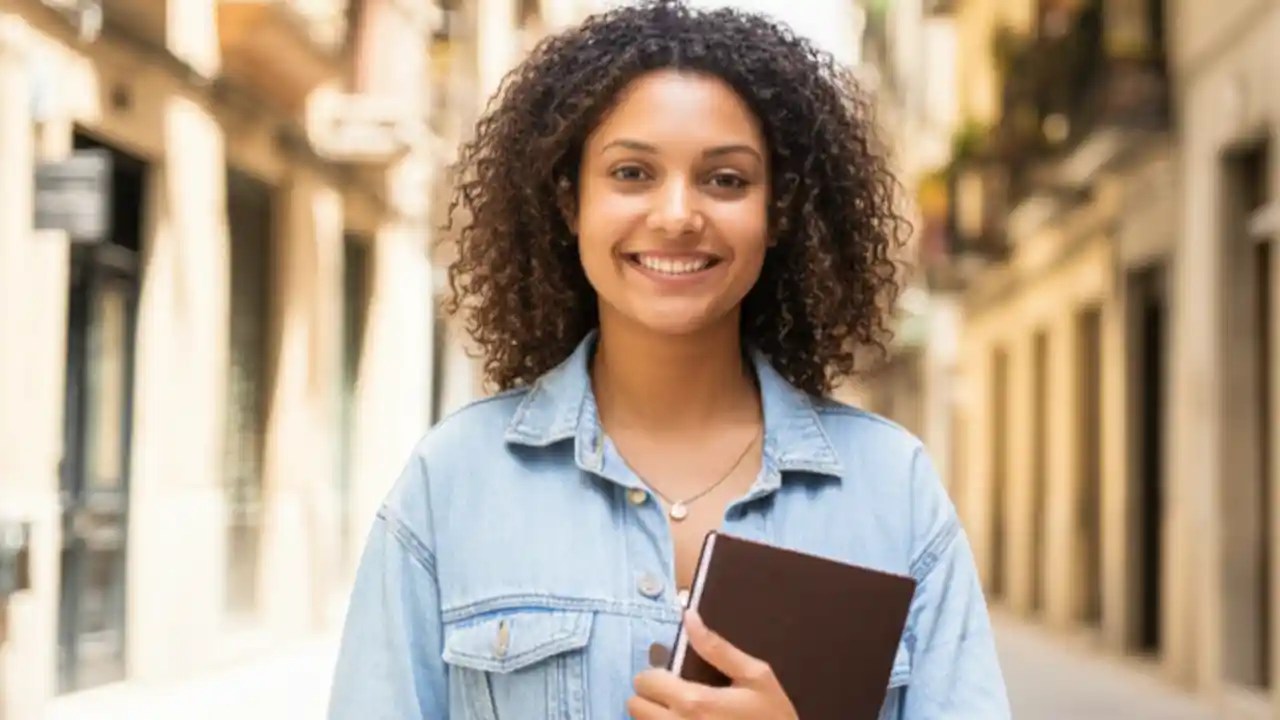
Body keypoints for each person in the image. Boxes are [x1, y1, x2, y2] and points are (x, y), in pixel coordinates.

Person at [327, 1, 1010, 718]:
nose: (678, 214)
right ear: (570, 203)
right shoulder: (454, 481)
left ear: (777, 211)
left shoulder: (891, 490)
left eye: (726, 180)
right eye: (631, 173)